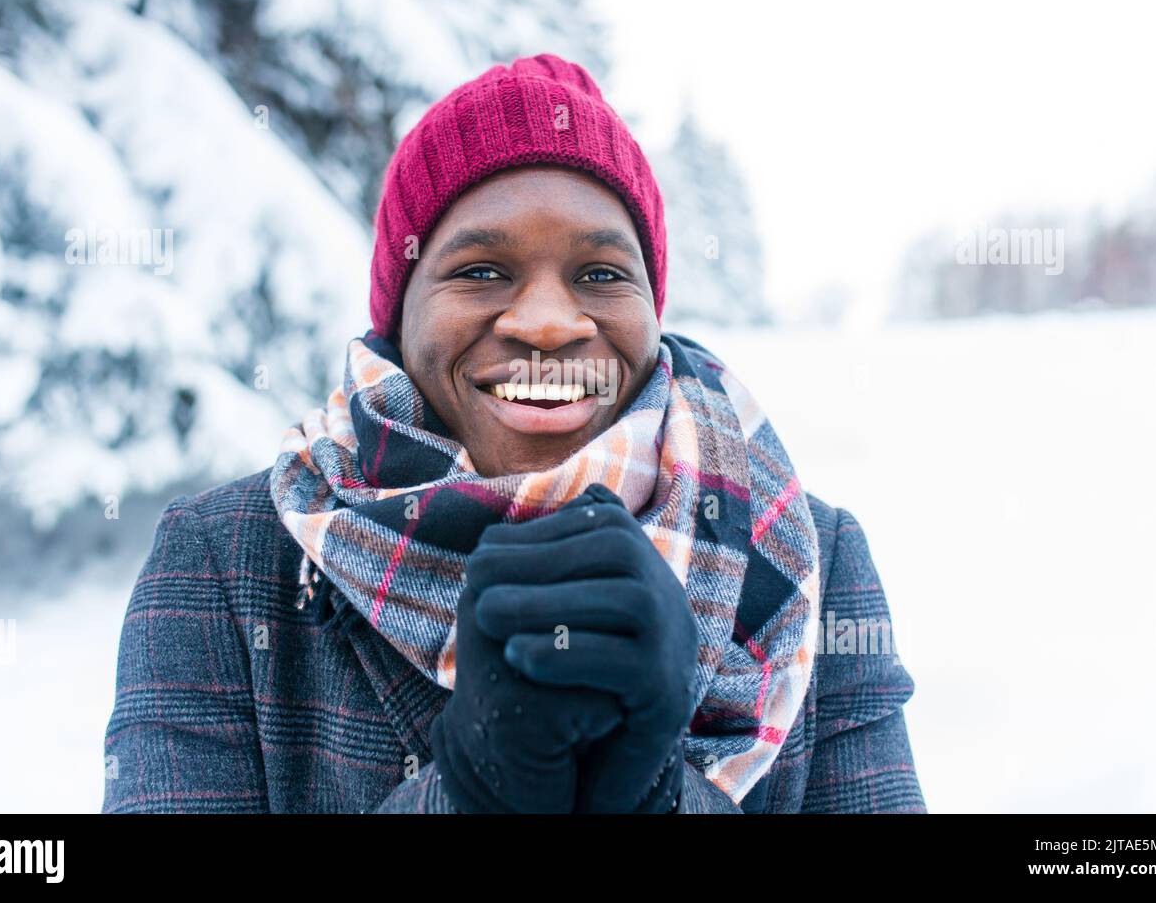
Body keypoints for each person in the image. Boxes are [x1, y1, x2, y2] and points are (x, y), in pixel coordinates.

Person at [101, 53, 926, 814]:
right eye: (481, 271)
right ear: (398, 315)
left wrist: (656, 797)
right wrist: (470, 788)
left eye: (600, 274)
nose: (545, 323)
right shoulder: (227, 559)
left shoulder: (806, 560)